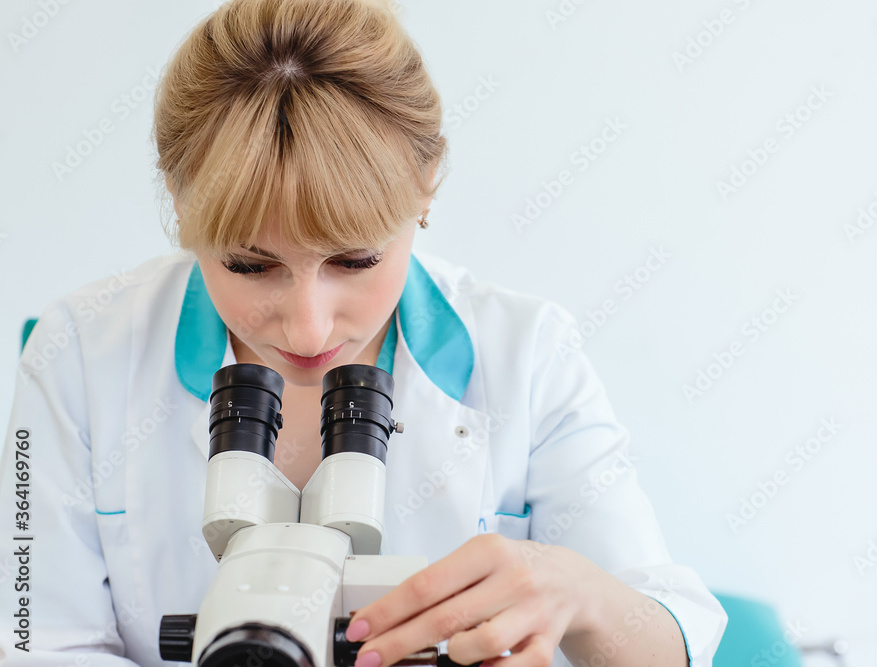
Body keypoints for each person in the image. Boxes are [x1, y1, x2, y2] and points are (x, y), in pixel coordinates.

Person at [0, 0, 727, 665]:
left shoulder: (527, 355)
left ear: (426, 186)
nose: (309, 325)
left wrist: (578, 593)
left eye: (354, 259)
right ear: (180, 199)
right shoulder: (74, 354)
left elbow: (671, 637)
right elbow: (36, 641)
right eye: (252, 265)